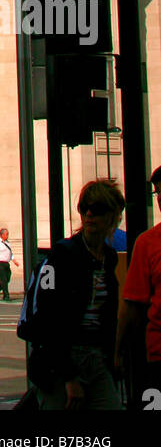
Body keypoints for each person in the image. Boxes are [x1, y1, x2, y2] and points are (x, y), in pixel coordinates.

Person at [22, 178, 125, 411]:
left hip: (96, 358)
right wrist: (69, 377)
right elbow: (48, 319)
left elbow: (108, 316)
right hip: (62, 359)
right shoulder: (62, 255)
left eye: (97, 209)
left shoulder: (109, 257)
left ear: (113, 216)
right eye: (84, 208)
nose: (89, 214)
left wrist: (114, 356)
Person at [115, 164, 161, 396]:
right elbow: (132, 303)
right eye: (158, 192)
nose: (160, 198)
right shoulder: (147, 243)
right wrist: (118, 351)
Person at [0, 227, 19, 300]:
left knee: (7, 278)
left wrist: (14, 260)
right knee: (3, 280)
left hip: (6, 263)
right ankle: (6, 295)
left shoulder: (8, 243)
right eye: (6, 234)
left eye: (7, 234)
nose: (7, 236)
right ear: (2, 235)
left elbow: (10, 253)